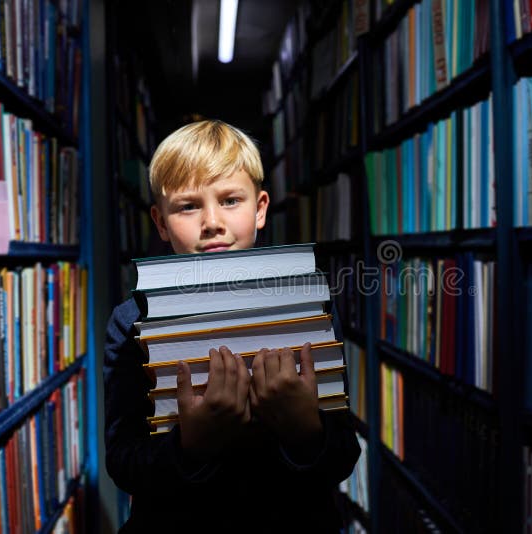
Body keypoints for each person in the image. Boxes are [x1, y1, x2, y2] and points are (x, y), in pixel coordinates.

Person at [103, 120, 361, 532]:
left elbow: (344, 454)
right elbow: (123, 461)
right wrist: (192, 444)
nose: (212, 222)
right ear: (161, 222)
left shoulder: (311, 305)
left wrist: (304, 426)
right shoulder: (132, 320)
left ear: (260, 209)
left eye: (229, 200)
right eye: (188, 206)